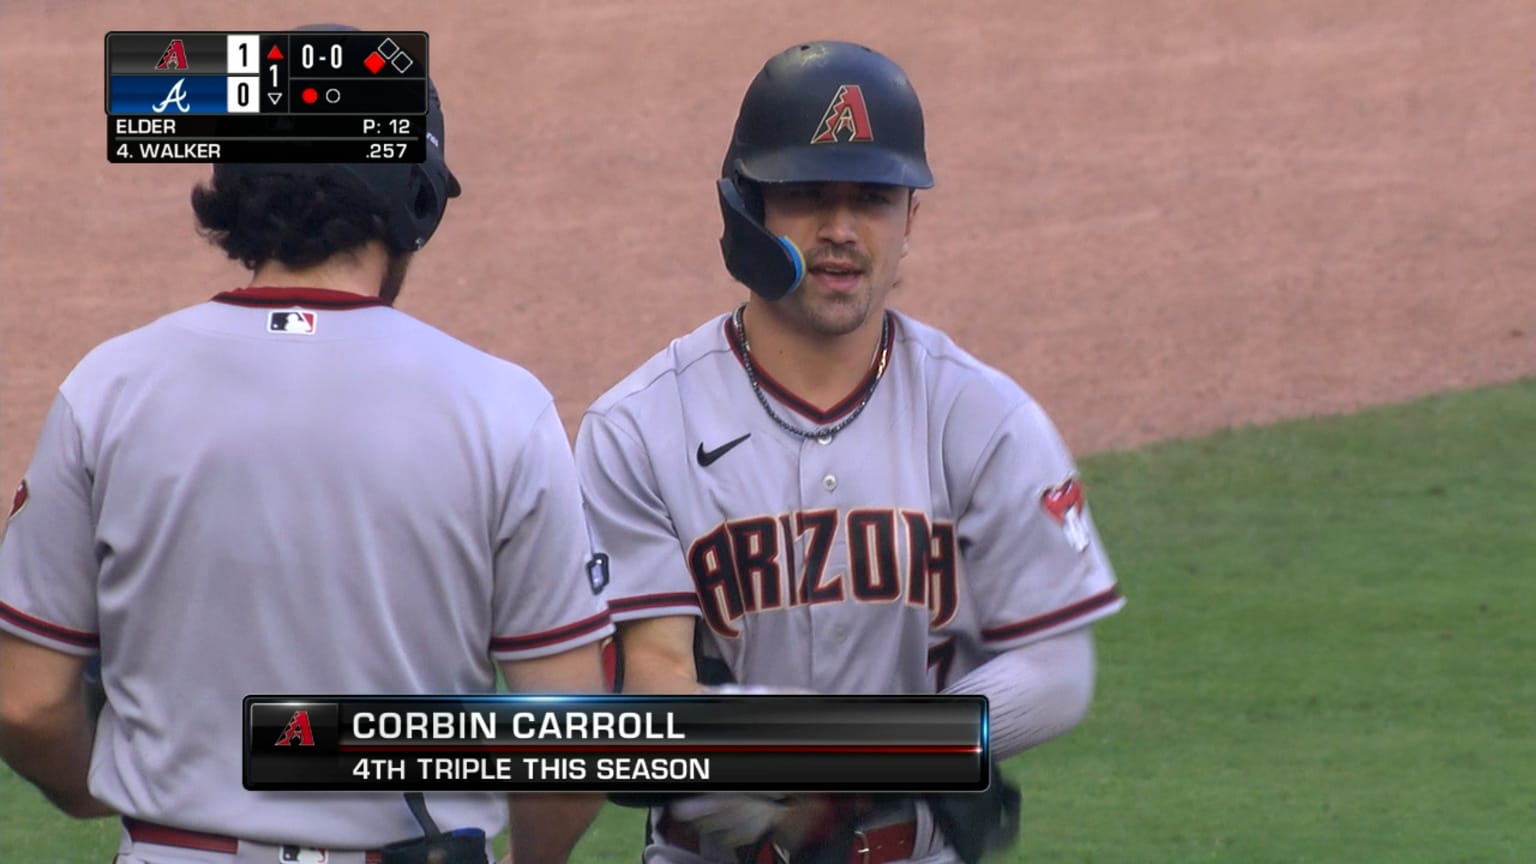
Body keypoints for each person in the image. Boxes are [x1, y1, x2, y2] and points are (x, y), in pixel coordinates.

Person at [0, 24, 611, 864]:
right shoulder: (502, 408)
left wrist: (105, 792)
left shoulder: (107, 388)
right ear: (415, 198)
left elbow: (25, 704)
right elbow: (563, 739)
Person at [575, 40, 1126, 864]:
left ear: (910, 219)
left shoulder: (982, 417)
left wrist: (857, 762)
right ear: (747, 211)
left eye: (871, 198)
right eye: (806, 196)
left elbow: (1057, 672)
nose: (839, 230)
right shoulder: (638, 426)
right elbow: (652, 675)